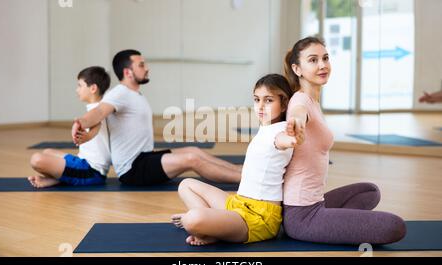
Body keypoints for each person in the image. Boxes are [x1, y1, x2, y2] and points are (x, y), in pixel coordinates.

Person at [282, 36, 407, 245]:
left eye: (325, 58)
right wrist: (296, 122)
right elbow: (297, 112)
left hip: (316, 202)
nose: (322, 65)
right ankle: (328, 226)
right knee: (395, 226)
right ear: (297, 69)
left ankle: (334, 224)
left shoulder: (313, 100)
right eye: (313, 60)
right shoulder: (301, 99)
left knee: (370, 191)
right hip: (301, 215)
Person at [72, 50, 242, 186]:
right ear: (127, 72)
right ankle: (242, 180)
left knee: (194, 151)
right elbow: (99, 112)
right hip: (133, 170)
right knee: (192, 160)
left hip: (144, 158)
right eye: (141, 65)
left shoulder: (135, 94)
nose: (146, 68)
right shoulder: (119, 93)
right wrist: (80, 122)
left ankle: (239, 171)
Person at [170, 74, 297, 246]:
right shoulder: (267, 127)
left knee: (192, 218)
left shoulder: (280, 131)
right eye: (256, 99)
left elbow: (283, 141)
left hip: (258, 217)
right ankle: (210, 228)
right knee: (186, 185)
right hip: (238, 202)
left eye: (268, 100)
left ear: (283, 104)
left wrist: (293, 139)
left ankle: (204, 226)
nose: (260, 106)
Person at [28, 66, 111, 188]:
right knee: (48, 152)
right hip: (82, 162)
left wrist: (88, 135)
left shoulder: (99, 111)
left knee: (36, 159)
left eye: (80, 85)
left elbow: (97, 124)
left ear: (93, 88)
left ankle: (59, 179)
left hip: (91, 172)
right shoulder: (97, 108)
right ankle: (58, 179)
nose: (77, 90)